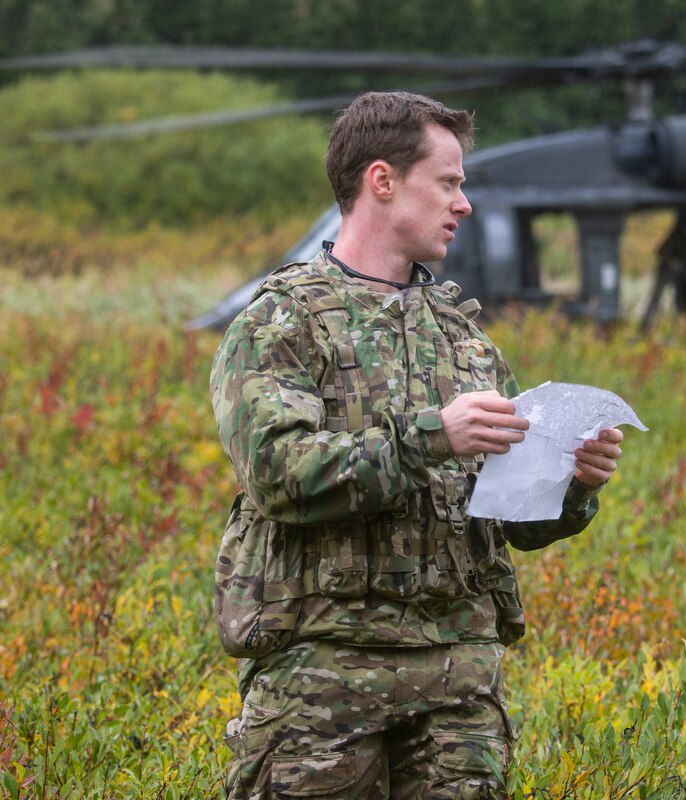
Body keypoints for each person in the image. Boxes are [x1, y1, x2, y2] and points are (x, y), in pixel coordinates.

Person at [210, 91, 625, 799]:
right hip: (323, 681)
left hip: (458, 686)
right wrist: (432, 436)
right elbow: (279, 473)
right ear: (382, 181)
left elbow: (509, 521)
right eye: (449, 182)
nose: (463, 204)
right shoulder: (282, 323)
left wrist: (575, 483)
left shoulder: (464, 339)